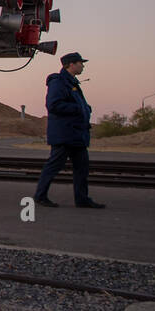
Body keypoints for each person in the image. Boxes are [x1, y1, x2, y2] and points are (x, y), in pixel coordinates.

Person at [33, 52, 104, 209]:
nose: (83, 66)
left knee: (82, 168)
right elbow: (53, 105)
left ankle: (82, 199)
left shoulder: (72, 83)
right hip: (64, 134)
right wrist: (80, 108)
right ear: (71, 64)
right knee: (54, 166)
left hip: (76, 134)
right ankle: (40, 196)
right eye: (80, 63)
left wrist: (85, 108)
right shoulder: (58, 82)